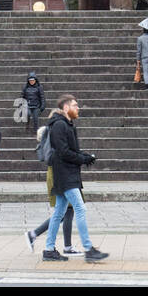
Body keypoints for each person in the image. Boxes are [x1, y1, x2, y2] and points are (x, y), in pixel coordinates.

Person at [41, 95, 108, 263]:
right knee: (80, 208)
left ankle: (49, 250)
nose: (78, 108)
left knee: (58, 213)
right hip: (65, 175)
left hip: (67, 174)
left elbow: (70, 150)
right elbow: (63, 152)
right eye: (75, 105)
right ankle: (88, 248)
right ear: (65, 108)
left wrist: (85, 156)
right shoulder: (59, 125)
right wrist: (82, 159)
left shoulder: (66, 125)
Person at [25, 108, 76, 255]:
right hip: (58, 175)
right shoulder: (54, 133)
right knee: (66, 211)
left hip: (56, 174)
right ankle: (35, 235)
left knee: (65, 211)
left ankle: (65, 245)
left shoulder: (53, 132)